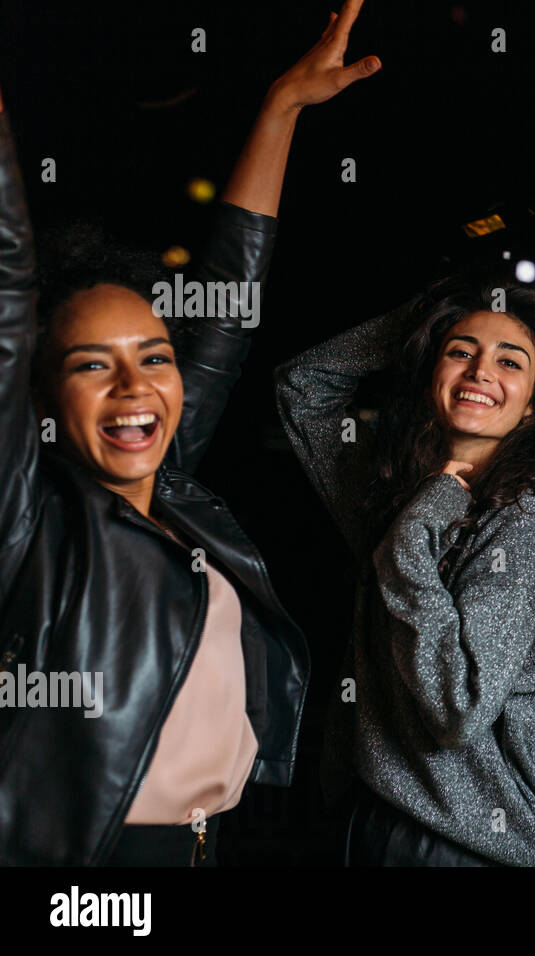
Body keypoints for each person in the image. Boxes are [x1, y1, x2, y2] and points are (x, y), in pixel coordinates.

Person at [0, 1, 381, 865]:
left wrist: (282, 107)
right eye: (93, 365)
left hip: (204, 848)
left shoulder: (170, 490)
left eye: (156, 357)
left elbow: (228, 302)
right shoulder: (29, 519)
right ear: (41, 400)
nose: (136, 386)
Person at [275, 272, 535, 866]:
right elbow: (303, 386)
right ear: (429, 378)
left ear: (533, 407)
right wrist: (428, 321)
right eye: (461, 353)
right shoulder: (390, 491)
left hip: (462, 841)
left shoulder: (521, 521)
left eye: (510, 362)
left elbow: (458, 709)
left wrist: (418, 529)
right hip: (373, 810)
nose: (480, 372)